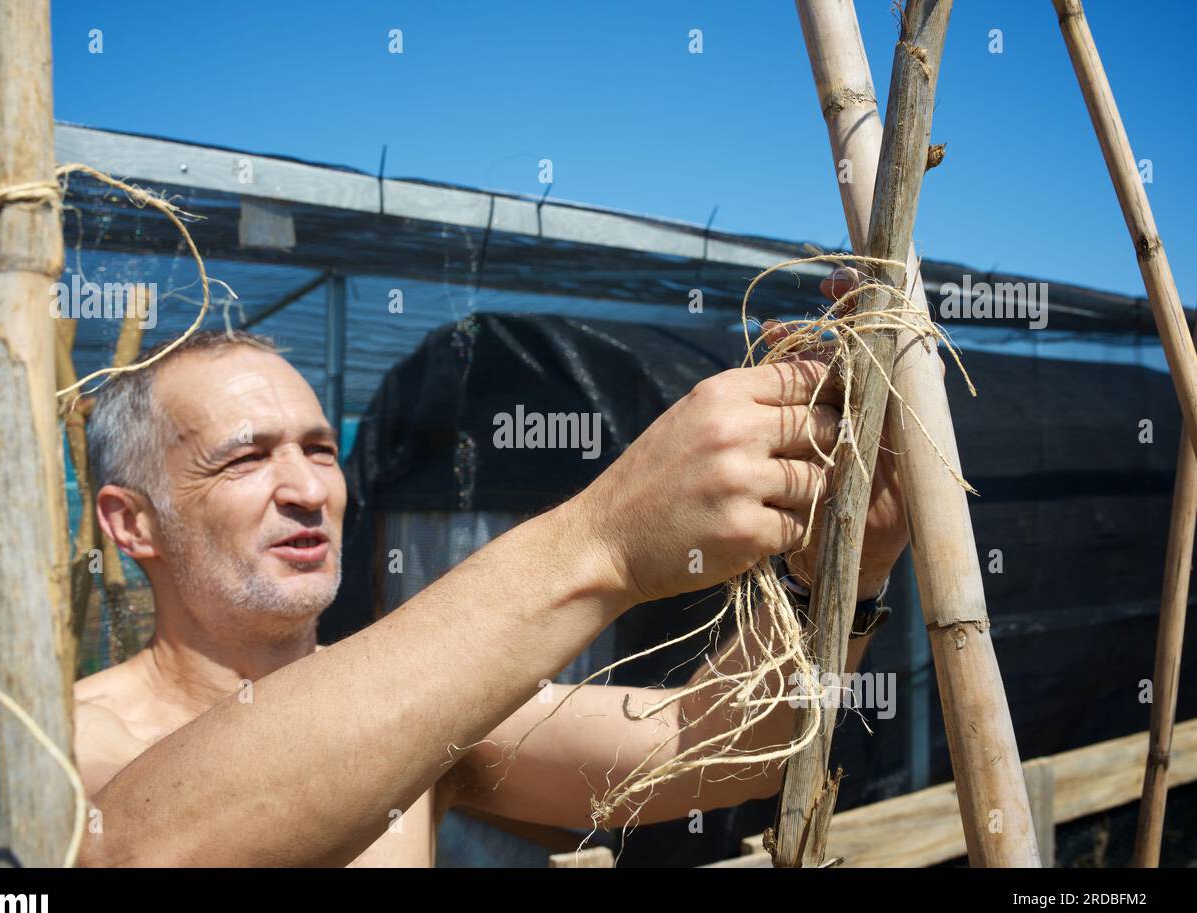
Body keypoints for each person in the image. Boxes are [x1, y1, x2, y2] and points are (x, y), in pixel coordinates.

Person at [75, 273, 908, 866]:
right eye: (244, 459)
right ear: (130, 521)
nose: (306, 488)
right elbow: (143, 849)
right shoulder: (60, 744)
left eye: (323, 449)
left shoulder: (421, 712)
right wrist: (603, 537)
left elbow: (716, 746)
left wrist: (840, 570)